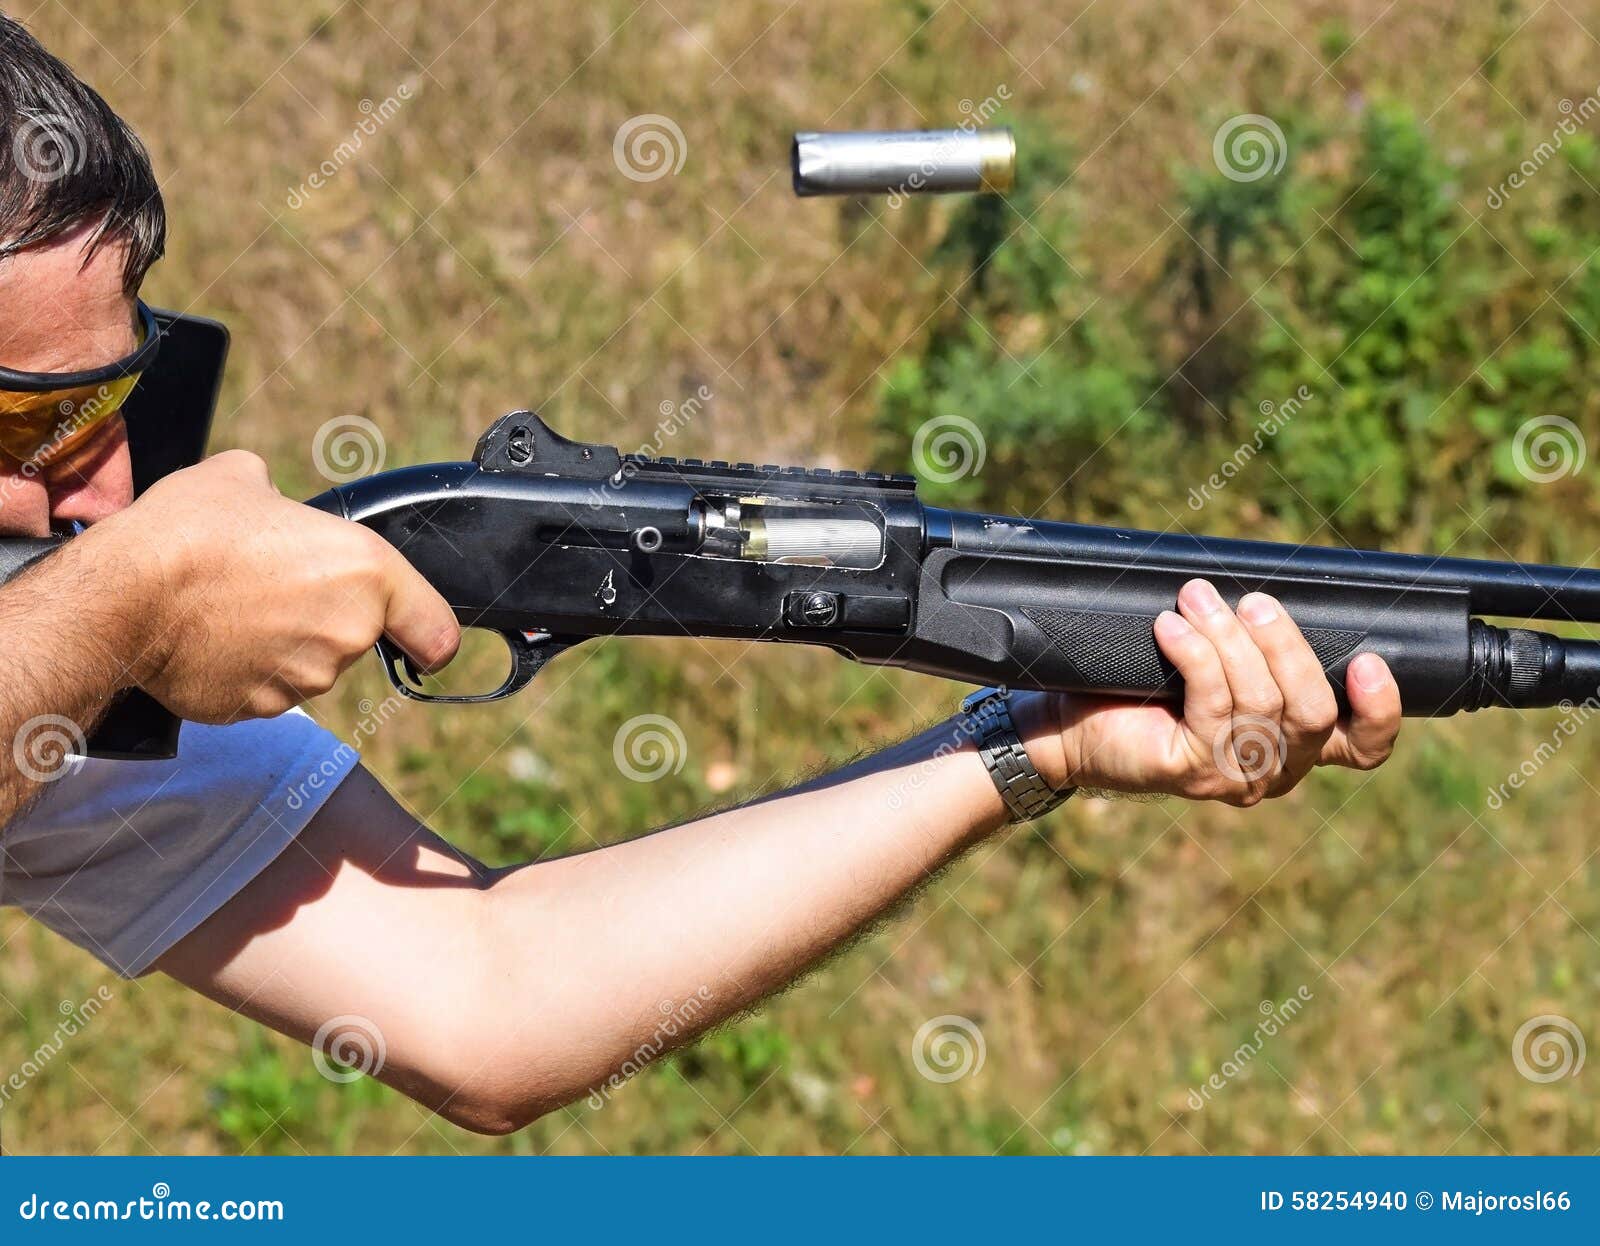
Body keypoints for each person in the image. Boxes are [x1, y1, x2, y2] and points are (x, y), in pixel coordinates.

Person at [0, 15, 1401, 1136]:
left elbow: (487, 996)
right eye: (33, 425)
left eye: (127, 401)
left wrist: (1029, 744)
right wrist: (128, 598)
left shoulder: (66, 665)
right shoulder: (95, 617)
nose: (115, 495)